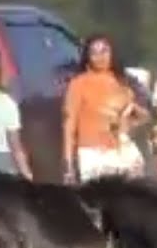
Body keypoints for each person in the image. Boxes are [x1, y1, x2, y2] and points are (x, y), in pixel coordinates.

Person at [62, 34, 149, 183]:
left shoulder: (122, 81)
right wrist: (68, 164)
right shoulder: (78, 84)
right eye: (94, 53)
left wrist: (131, 113)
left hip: (125, 152)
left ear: (112, 53)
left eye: (104, 51)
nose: (100, 56)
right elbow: (69, 125)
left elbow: (144, 118)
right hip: (94, 155)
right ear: (87, 57)